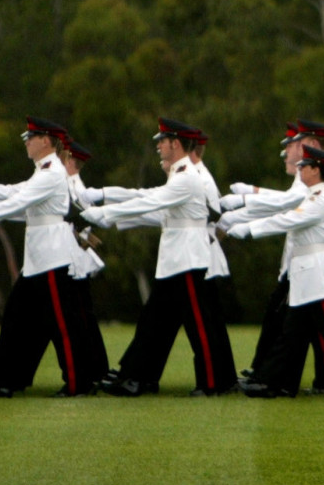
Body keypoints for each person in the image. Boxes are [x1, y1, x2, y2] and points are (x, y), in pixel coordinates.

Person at [81, 119, 237, 396]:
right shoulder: (180, 175)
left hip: (188, 259)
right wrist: (107, 199)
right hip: (175, 260)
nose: (158, 145)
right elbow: (147, 197)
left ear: (175, 144)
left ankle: (214, 383)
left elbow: (152, 202)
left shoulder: (188, 177)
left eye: (162, 141)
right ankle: (138, 377)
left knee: (199, 326)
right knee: (154, 322)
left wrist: (105, 214)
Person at [0, 118, 99, 396]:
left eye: (31, 137)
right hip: (38, 260)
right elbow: (10, 192)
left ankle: (79, 383)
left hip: (53, 257)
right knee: (17, 319)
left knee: (62, 324)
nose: (26, 142)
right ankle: (5, 378)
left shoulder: (52, 172)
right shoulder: (43, 171)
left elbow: (17, 203)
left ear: (46, 140)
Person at [234, 145, 324, 398]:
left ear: (316, 171)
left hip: (322, 278)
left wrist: (249, 228)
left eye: (305, 166)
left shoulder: (320, 200)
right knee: (291, 335)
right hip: (309, 278)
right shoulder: (313, 196)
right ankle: (274, 383)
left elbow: (287, 219)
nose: (300, 169)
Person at [221, 118, 324, 385]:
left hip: (318, 261)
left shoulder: (322, 177)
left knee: (313, 327)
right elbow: (285, 202)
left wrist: (244, 206)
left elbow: (285, 205)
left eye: (298, 143)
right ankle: (272, 375)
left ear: (314, 146)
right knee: (298, 324)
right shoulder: (309, 175)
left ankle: (276, 376)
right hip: (304, 260)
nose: (290, 151)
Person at [60, 140, 111, 384]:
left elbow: (71, 220)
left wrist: (83, 236)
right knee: (83, 316)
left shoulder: (72, 185)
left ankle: (89, 370)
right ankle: (96, 368)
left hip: (71, 257)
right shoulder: (76, 184)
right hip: (75, 255)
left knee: (78, 317)